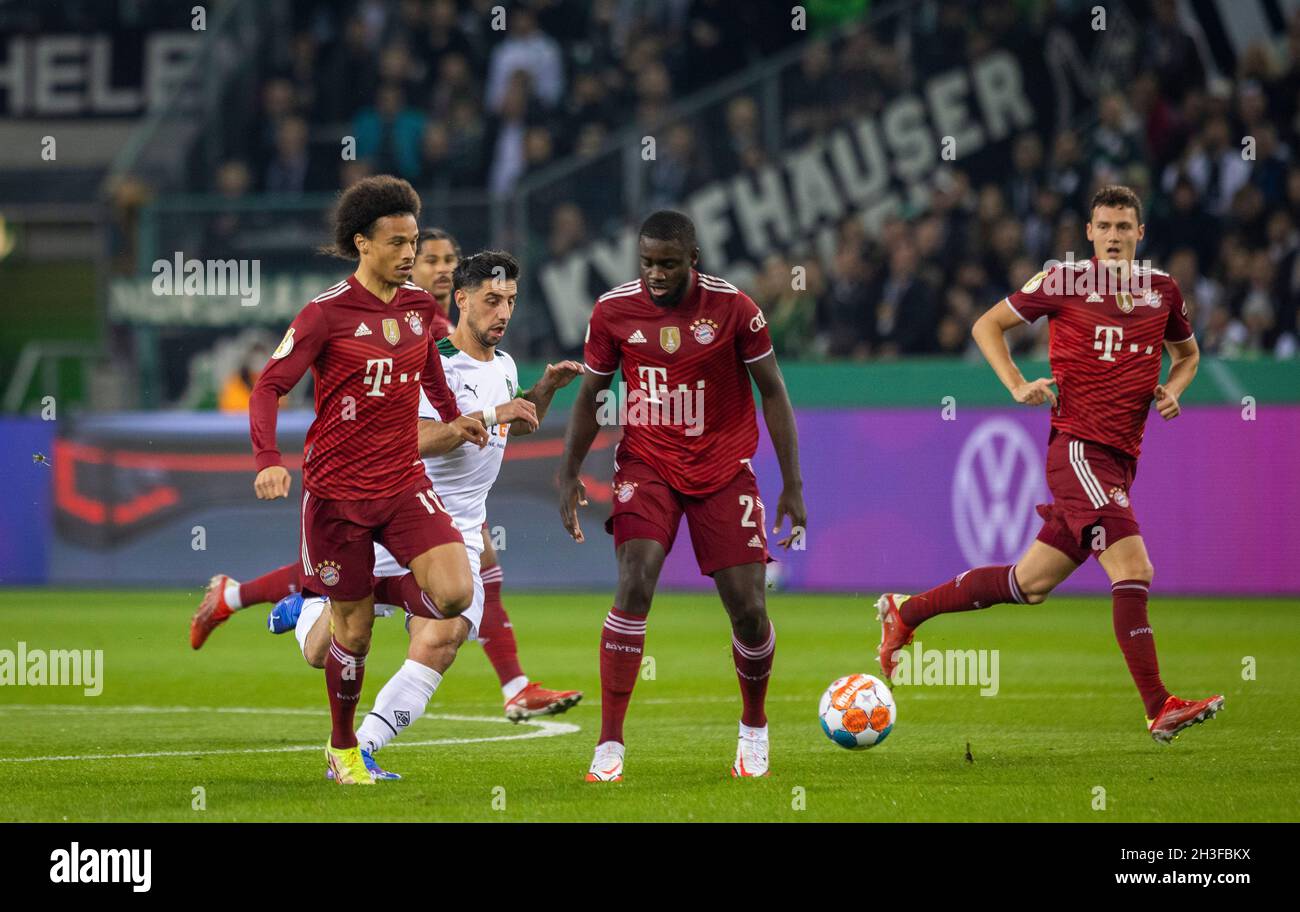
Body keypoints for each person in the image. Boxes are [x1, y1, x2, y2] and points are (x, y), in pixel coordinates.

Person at [875, 185, 1224, 744]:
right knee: (1134, 569)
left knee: (1029, 583)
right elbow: (986, 325)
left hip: (1120, 456)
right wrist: (1016, 384)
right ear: (1089, 234)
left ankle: (906, 611)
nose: (1113, 237)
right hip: (1079, 450)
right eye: (1104, 227)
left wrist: (1174, 389)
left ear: (1140, 234)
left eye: (1123, 227)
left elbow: (1188, 355)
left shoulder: (1163, 291)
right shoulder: (1062, 280)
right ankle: (1159, 707)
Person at [192, 230, 584, 722]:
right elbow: (415, 432)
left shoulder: (486, 354)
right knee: (330, 643)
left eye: (448, 258)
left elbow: (507, 424)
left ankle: (375, 738)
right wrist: (268, 457)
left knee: (458, 605)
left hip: (444, 509)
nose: (440, 267)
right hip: (387, 495)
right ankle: (289, 601)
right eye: (427, 257)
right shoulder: (409, 332)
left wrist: (540, 390)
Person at [246, 175, 488, 784]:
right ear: (362, 243)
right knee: (347, 637)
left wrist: (455, 419)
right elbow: (269, 385)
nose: (411, 255)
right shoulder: (324, 315)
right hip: (335, 495)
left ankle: (343, 593)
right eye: (399, 243)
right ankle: (342, 748)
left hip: (404, 483)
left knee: (458, 593)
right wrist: (268, 459)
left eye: (414, 241)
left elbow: (430, 370)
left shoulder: (418, 309)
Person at [557, 210, 806, 781]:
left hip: (723, 467)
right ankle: (609, 744)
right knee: (635, 578)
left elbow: (774, 394)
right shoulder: (613, 311)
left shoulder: (735, 308)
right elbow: (593, 396)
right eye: (646, 262)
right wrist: (570, 470)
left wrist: (792, 484)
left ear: (693, 259)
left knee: (748, 610)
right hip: (648, 463)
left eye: (668, 263)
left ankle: (753, 728)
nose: (655, 274)